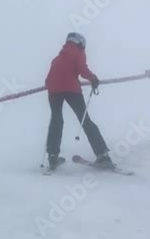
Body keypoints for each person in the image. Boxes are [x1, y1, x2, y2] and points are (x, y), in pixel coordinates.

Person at [44, 32, 113, 169]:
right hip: (71, 89)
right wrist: (93, 78)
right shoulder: (78, 52)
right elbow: (82, 70)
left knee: (56, 121)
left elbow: (48, 80)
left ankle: (52, 157)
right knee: (85, 120)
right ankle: (102, 155)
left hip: (53, 90)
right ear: (80, 42)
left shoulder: (57, 58)